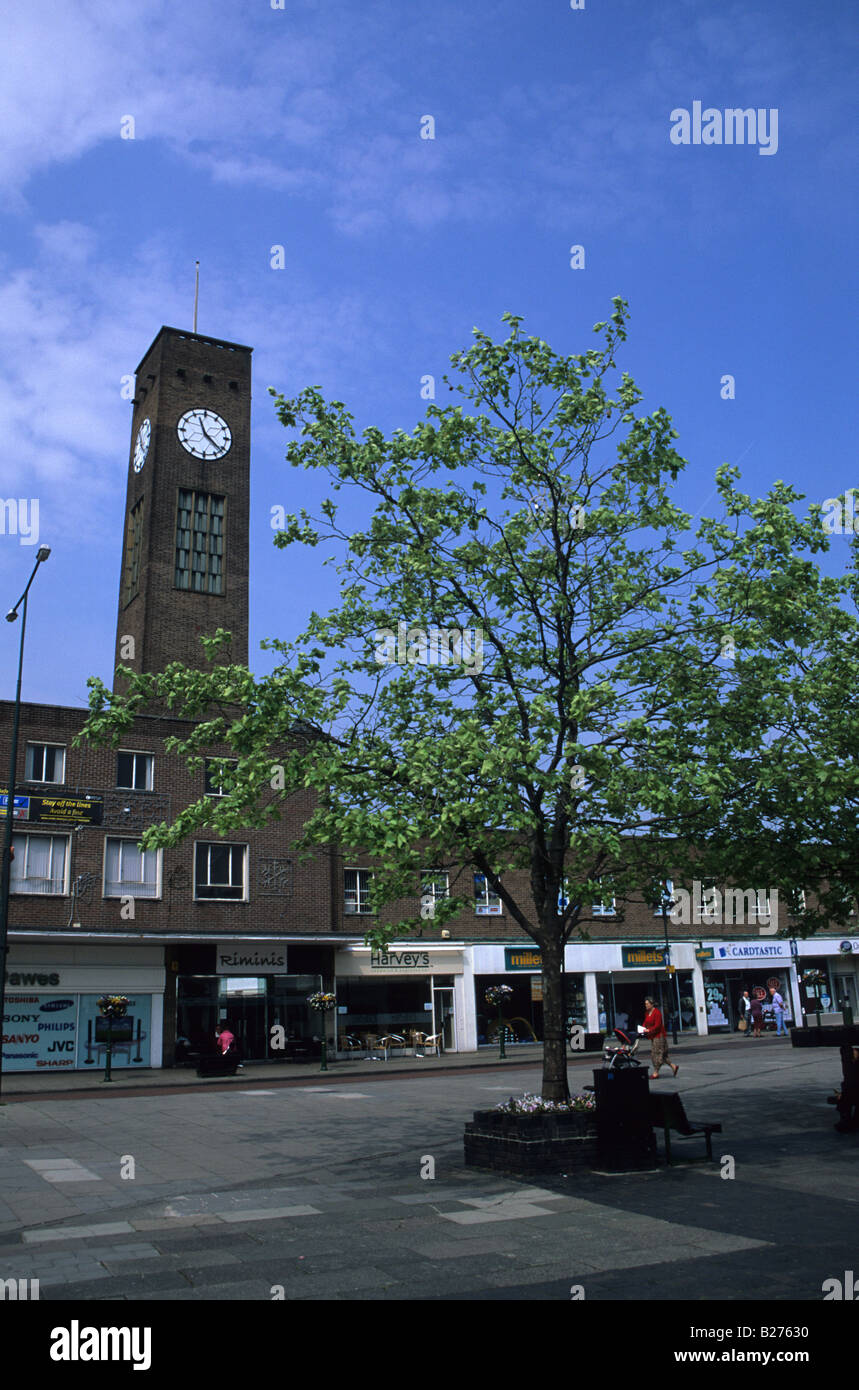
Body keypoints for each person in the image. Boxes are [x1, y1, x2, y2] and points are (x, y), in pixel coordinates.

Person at [638, 997, 678, 1080]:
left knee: (656, 1054)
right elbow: (646, 1022)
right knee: (662, 1055)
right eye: (645, 1004)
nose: (646, 1005)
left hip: (659, 1036)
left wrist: (649, 1030)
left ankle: (656, 1072)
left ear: (651, 1004)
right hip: (652, 1035)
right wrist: (642, 1028)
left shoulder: (657, 1012)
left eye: (647, 1004)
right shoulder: (647, 1012)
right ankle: (673, 1066)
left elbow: (658, 1025)